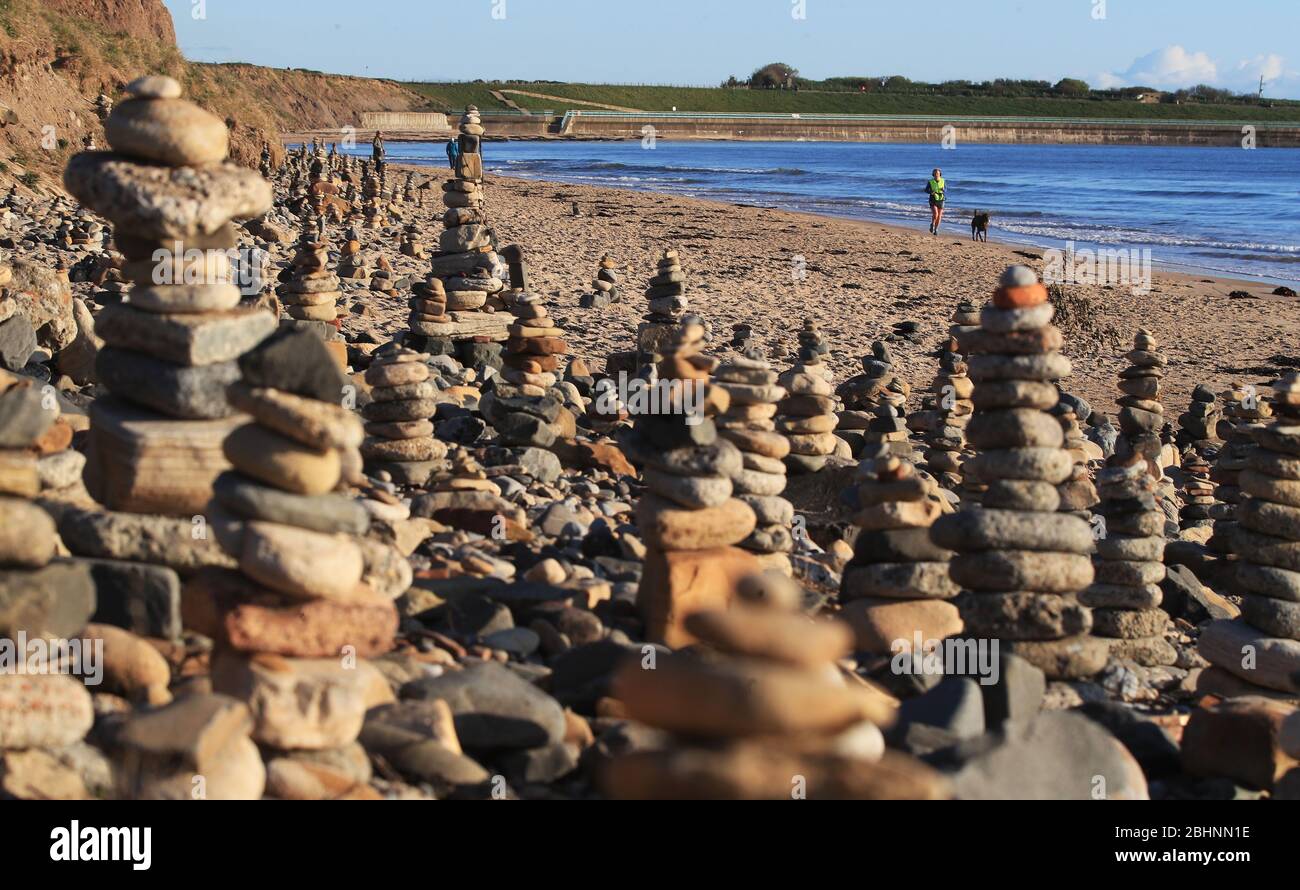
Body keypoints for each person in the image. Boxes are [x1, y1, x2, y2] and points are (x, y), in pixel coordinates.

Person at [925, 167, 946, 235]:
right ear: (933, 174)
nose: (937, 174)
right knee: (936, 214)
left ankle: (936, 229)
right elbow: (926, 190)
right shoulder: (930, 181)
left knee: (939, 215)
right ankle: (932, 224)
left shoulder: (943, 180)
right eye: (935, 173)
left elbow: (946, 189)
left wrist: (944, 190)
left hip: (941, 199)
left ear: (940, 174)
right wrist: (931, 192)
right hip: (933, 199)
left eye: (938, 173)